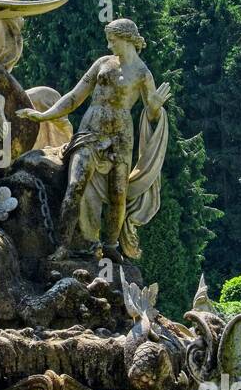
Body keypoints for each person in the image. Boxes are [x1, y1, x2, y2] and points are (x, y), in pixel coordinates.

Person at [18, 18, 170, 257]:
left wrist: (154, 107)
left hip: (121, 138)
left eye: (113, 40)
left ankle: (109, 246)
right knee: (75, 184)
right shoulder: (102, 63)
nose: (110, 46)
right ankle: (63, 245)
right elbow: (75, 96)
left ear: (127, 39)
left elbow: (151, 111)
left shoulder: (142, 73)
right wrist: (44, 115)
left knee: (118, 194)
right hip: (90, 131)